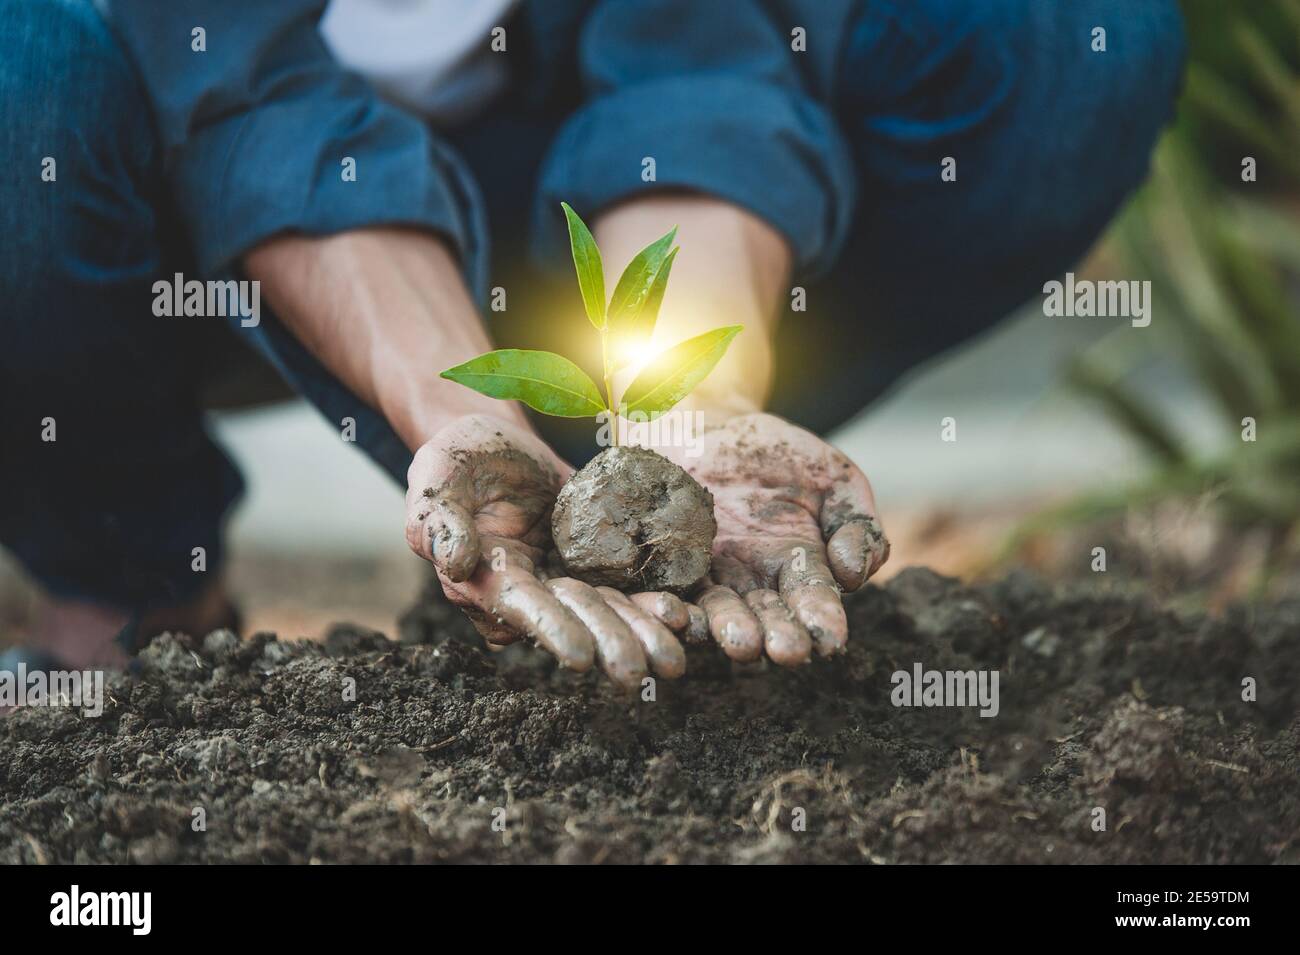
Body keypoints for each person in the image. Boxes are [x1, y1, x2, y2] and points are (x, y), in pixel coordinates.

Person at [0, 0, 1186, 682]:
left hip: (571, 181)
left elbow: (693, 54)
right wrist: (458, 406)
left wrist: (696, 392)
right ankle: (129, 581)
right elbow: (244, 100)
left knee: (1074, 37)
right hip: (177, 207)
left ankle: (606, 478)